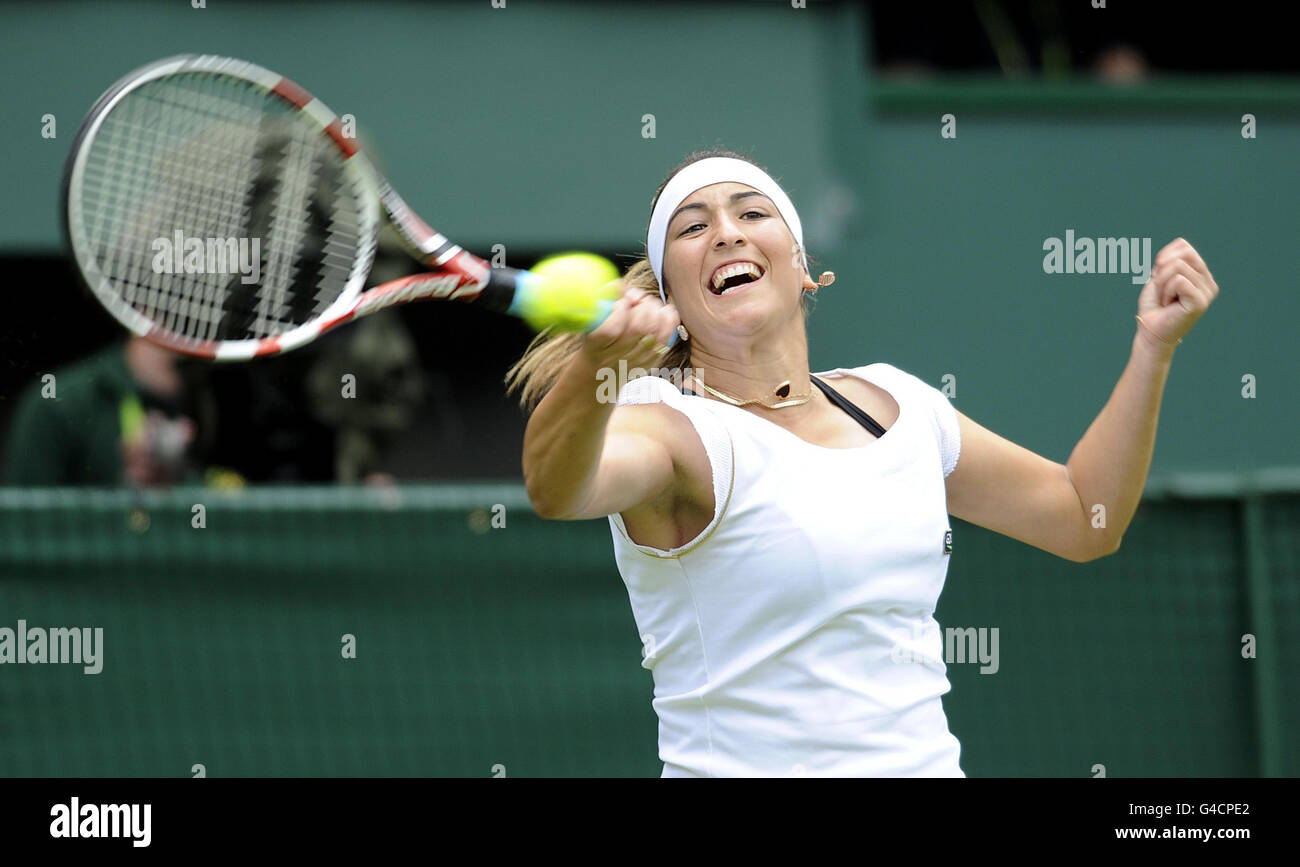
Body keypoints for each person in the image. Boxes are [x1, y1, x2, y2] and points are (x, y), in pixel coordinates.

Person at [505, 148, 1219, 777]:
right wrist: (595, 369)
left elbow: (1083, 517)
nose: (725, 230)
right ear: (673, 300)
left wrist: (1153, 349)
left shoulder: (902, 405)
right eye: (693, 227)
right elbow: (558, 488)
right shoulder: (669, 426)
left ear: (804, 268)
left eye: (751, 212)